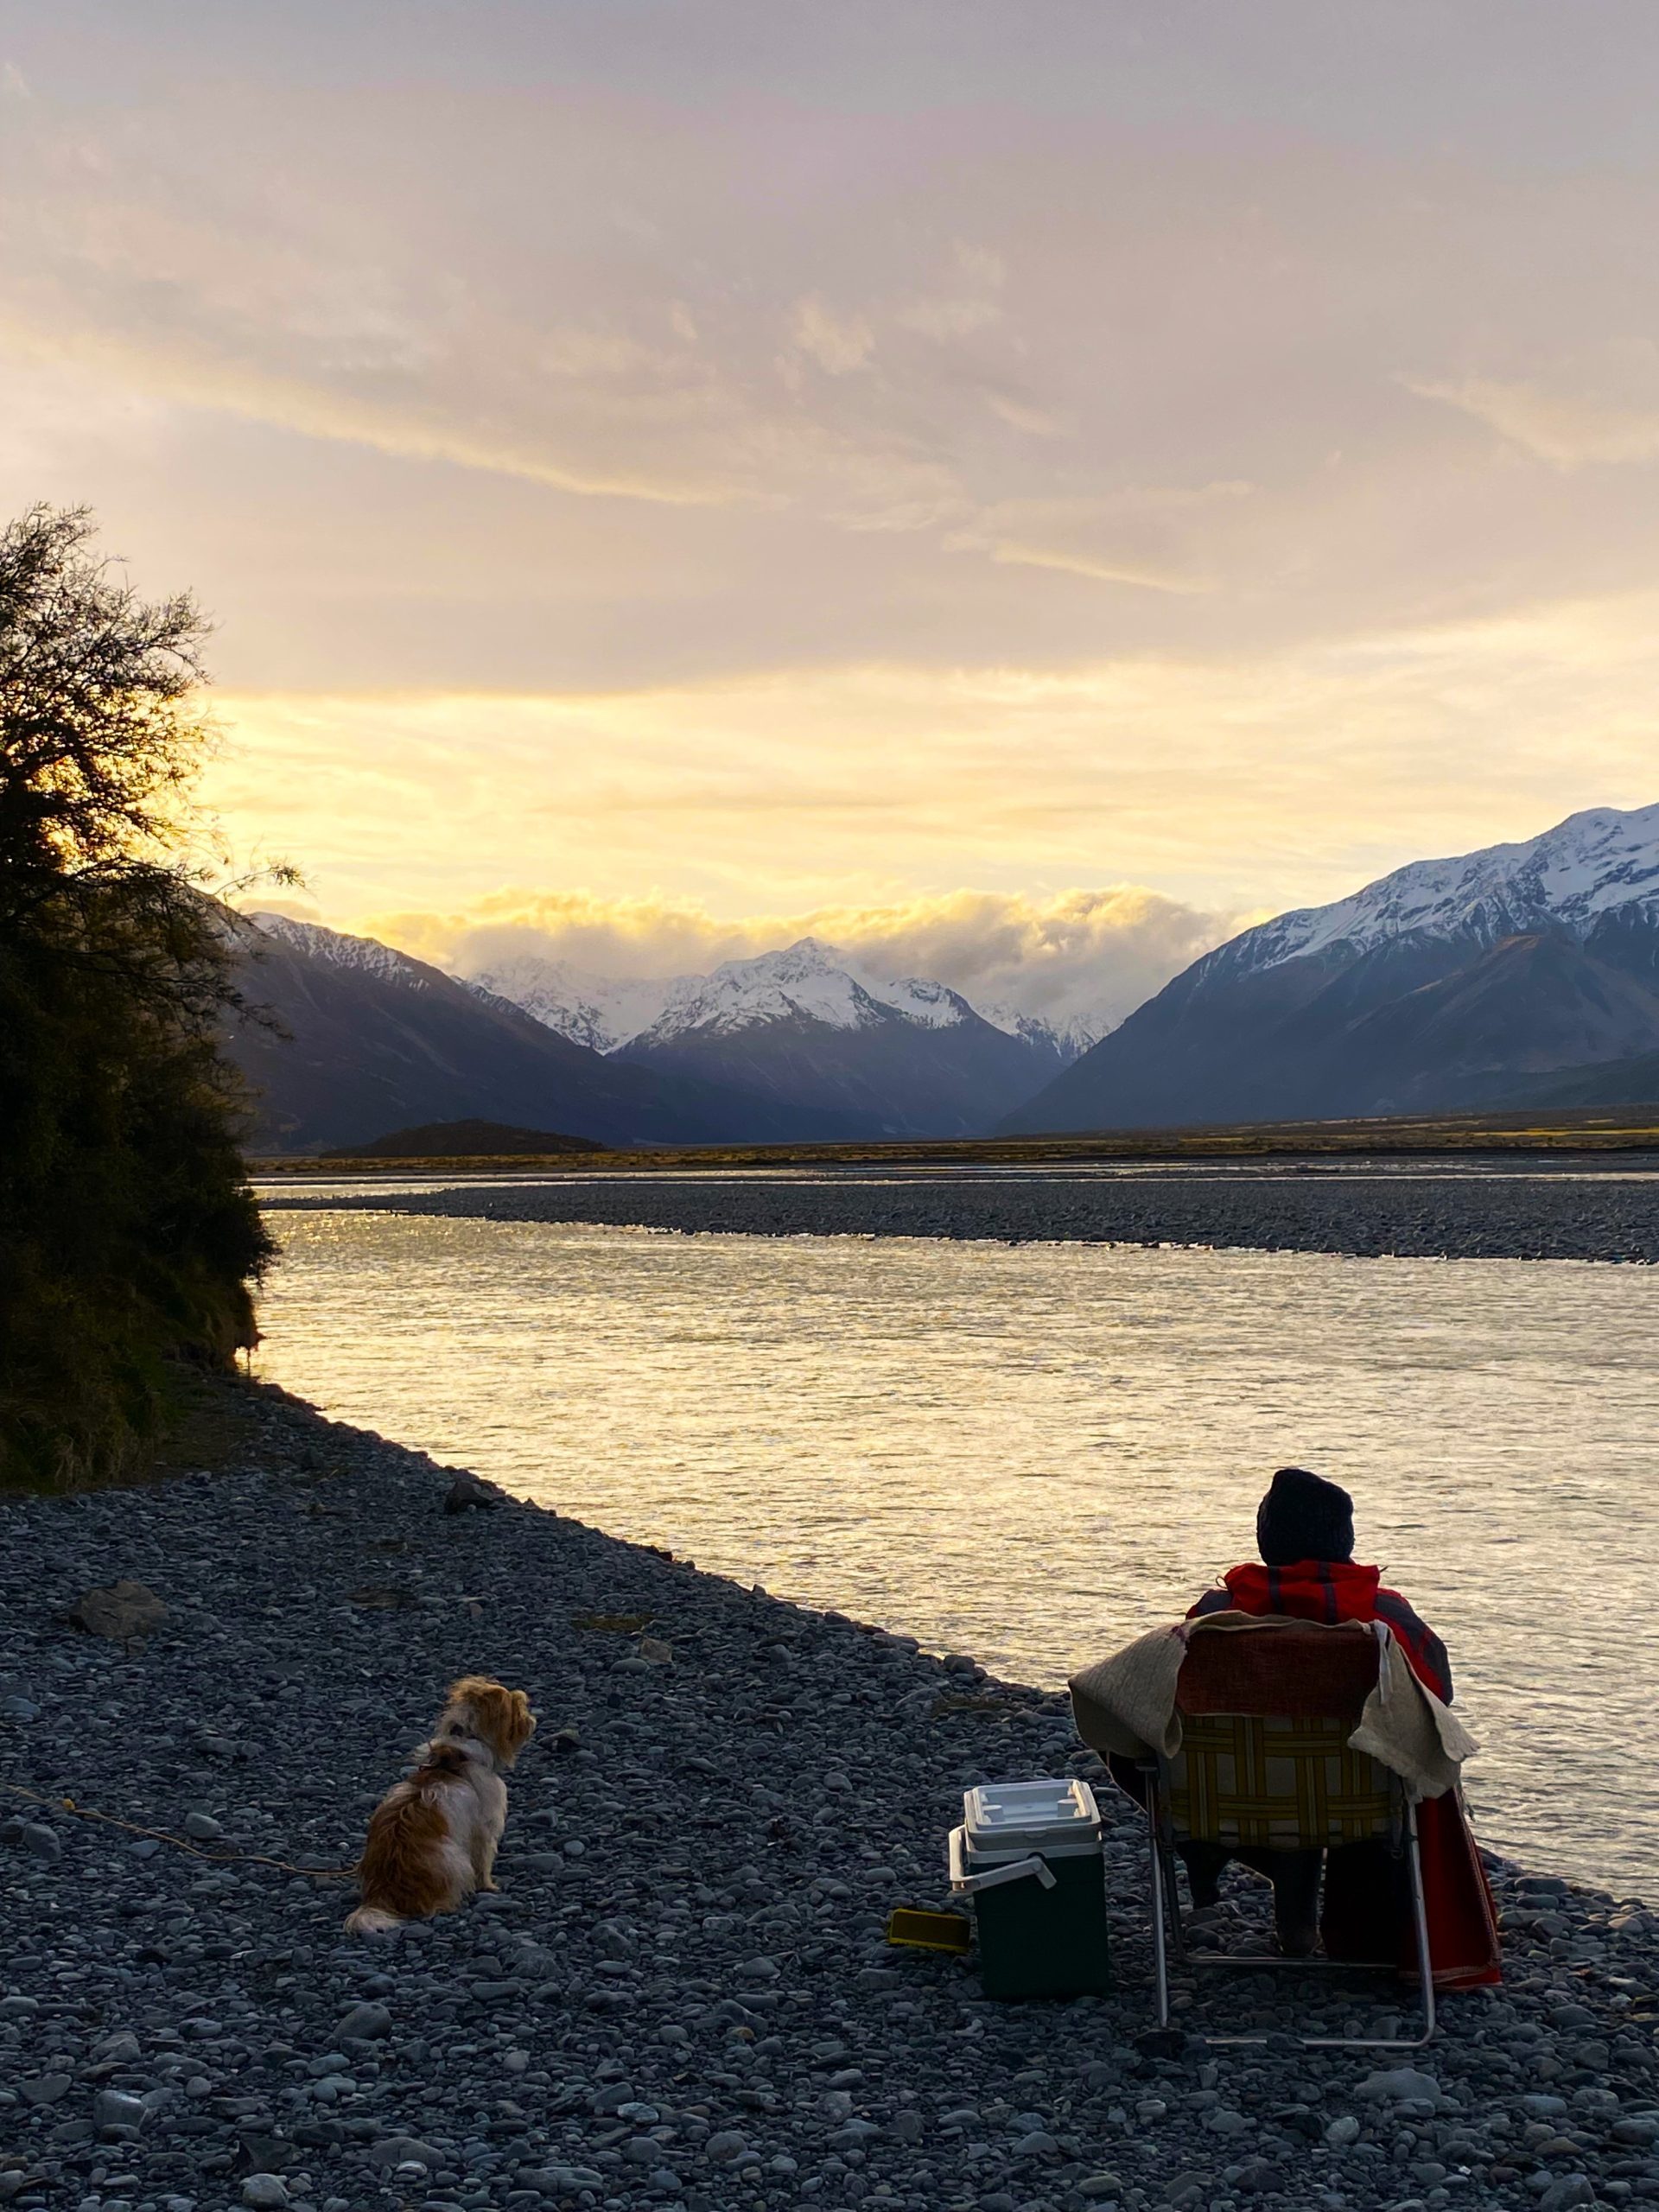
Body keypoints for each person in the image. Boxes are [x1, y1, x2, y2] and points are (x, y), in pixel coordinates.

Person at [1116, 1466, 1502, 1986]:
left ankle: (1220, 1847)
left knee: (1126, 1740)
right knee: (1390, 1764)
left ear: (1266, 1541)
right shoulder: (1383, 1619)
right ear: (1346, 1542)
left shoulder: (1215, 1616)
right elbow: (1438, 1697)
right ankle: (1338, 1906)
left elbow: (1160, 1696)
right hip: (1357, 1809)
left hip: (1230, 1798)